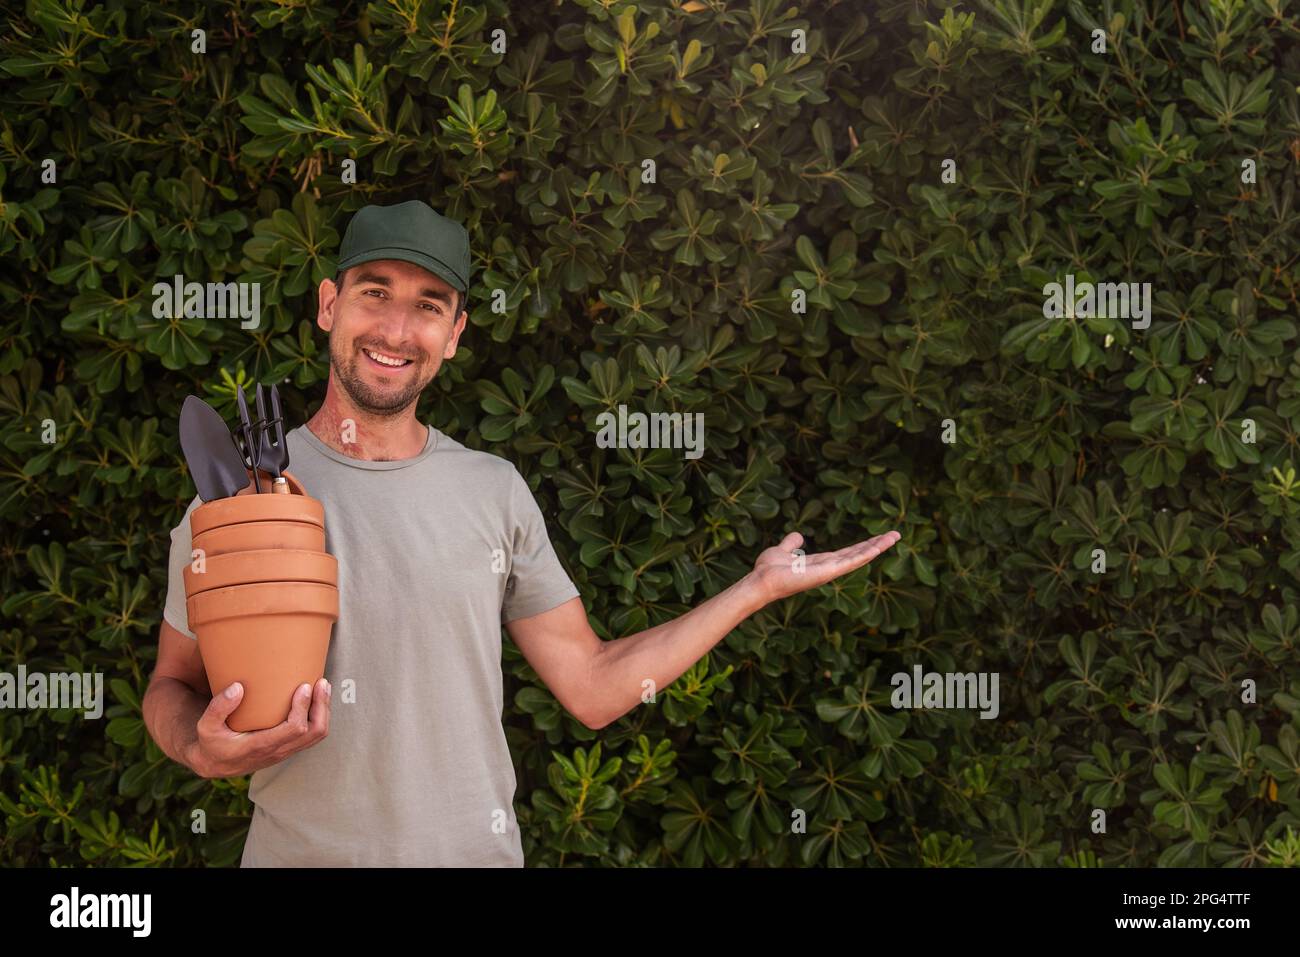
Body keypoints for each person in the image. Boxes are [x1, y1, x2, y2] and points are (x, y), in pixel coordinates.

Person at [141, 199, 902, 866]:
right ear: (329, 304)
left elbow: (595, 687)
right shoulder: (237, 501)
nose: (398, 329)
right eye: (375, 293)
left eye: (430, 305)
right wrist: (199, 745)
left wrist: (756, 587)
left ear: (456, 333)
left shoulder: (493, 490)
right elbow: (170, 687)